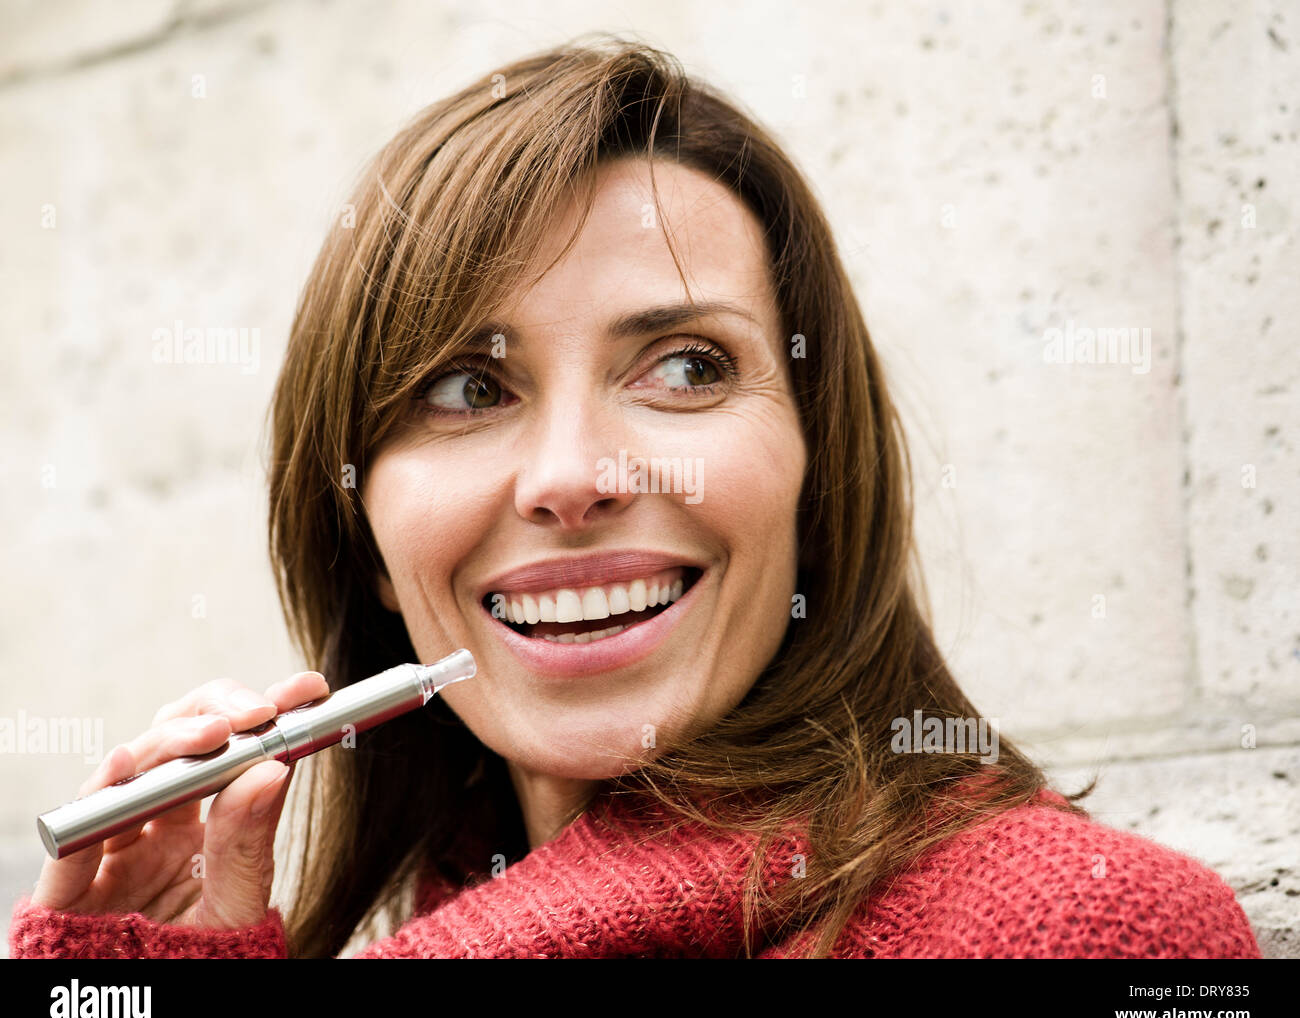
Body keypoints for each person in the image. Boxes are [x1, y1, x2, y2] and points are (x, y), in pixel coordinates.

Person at [10, 35, 1259, 960]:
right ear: (370, 543)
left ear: (814, 471)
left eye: (684, 368)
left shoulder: (1088, 935)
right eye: (463, 388)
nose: (570, 478)